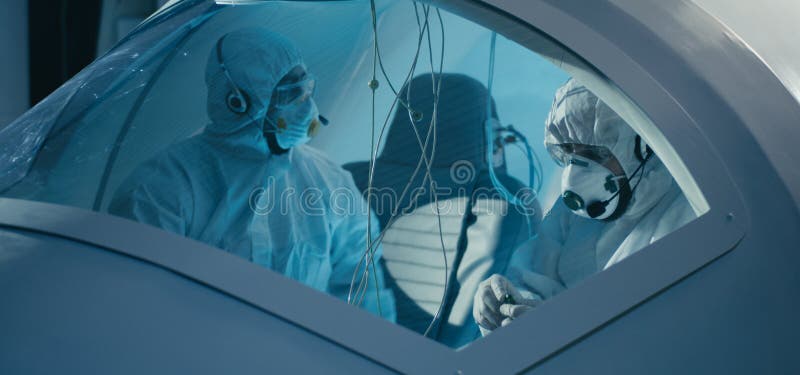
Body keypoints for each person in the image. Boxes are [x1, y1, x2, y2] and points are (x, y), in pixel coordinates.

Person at [109, 28, 395, 321]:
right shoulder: (163, 187)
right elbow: (135, 306)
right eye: (289, 94)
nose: (307, 106)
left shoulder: (329, 182)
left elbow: (365, 295)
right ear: (238, 102)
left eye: (306, 88)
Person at [472, 79, 696, 334]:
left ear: (642, 148)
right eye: (569, 151)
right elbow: (532, 277)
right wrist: (504, 302)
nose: (576, 172)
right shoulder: (570, 215)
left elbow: (658, 321)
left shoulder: (687, 209)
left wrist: (564, 328)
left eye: (595, 153)